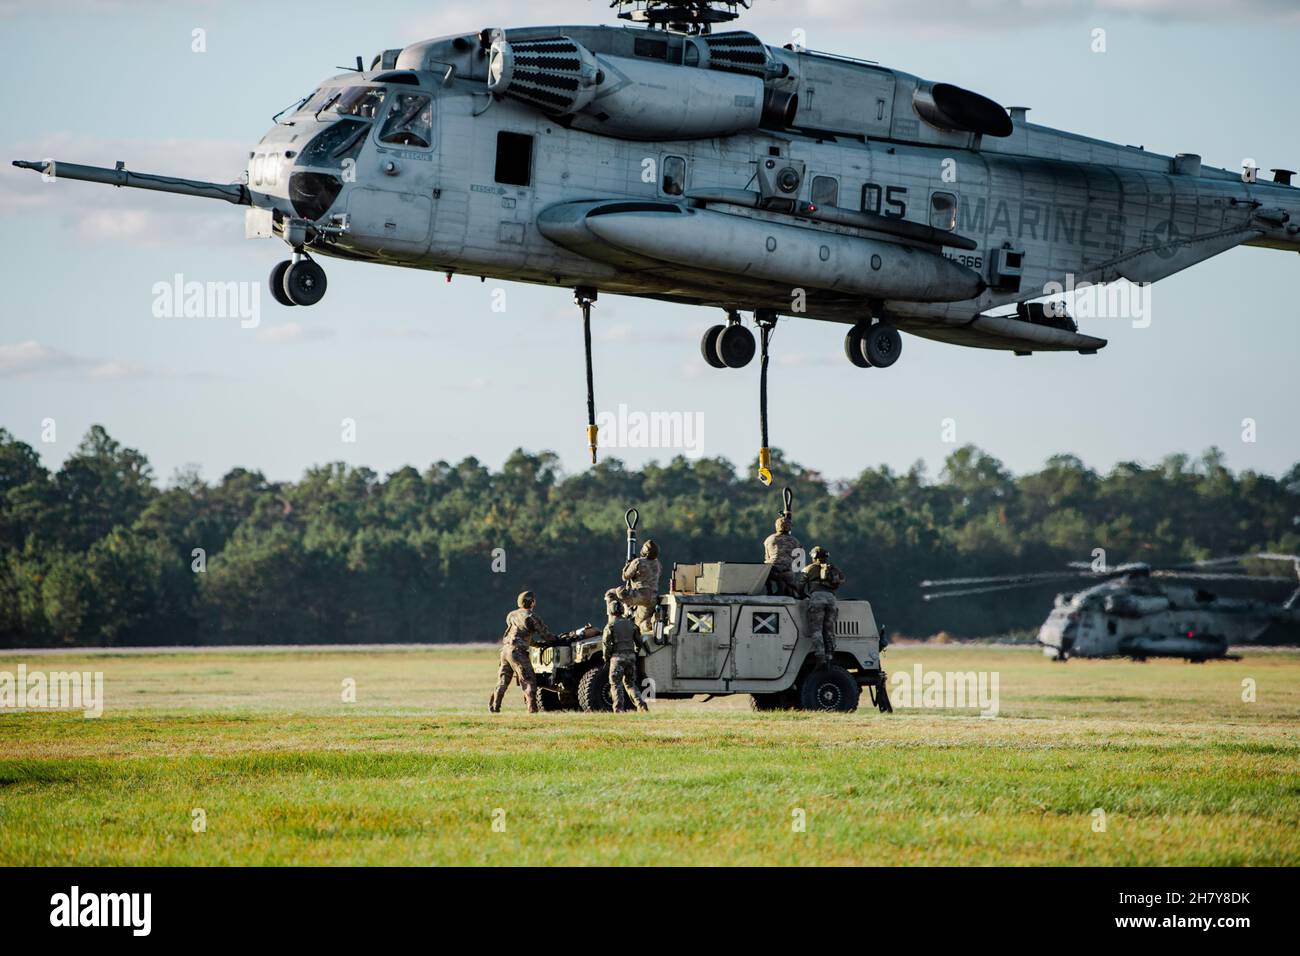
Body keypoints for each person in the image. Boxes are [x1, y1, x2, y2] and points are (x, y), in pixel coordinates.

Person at [489, 590, 554, 713]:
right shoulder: (531, 617)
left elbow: (518, 633)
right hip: (517, 652)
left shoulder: (511, 615)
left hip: (505, 650)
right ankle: (532, 710)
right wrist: (556, 640)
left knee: (503, 681)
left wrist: (535, 644)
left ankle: (494, 707)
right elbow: (545, 635)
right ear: (531, 602)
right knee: (528, 680)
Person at [604, 539, 661, 634]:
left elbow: (625, 576)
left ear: (645, 551)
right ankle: (651, 621)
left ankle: (612, 624)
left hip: (639, 595)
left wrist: (629, 564)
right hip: (652, 599)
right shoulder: (658, 564)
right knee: (638, 624)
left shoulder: (638, 562)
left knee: (612, 593)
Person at [801, 546, 845, 666]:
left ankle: (820, 657)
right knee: (829, 630)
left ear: (813, 557)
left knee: (817, 630)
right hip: (831, 599)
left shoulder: (809, 569)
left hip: (817, 598)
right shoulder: (833, 568)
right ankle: (830, 655)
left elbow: (799, 585)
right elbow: (842, 579)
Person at [603, 600, 649, 713]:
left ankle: (618, 709)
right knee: (630, 684)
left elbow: (606, 644)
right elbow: (639, 641)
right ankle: (642, 706)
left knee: (615, 684)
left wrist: (607, 658)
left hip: (617, 658)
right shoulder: (632, 625)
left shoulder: (610, 626)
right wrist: (637, 652)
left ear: (610, 611)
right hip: (631, 657)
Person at [763, 515, 802, 596]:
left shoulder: (769, 539)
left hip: (771, 571)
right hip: (787, 573)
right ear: (789, 528)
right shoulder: (795, 541)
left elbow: (767, 558)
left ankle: (769, 591)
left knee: (766, 570)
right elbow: (798, 564)